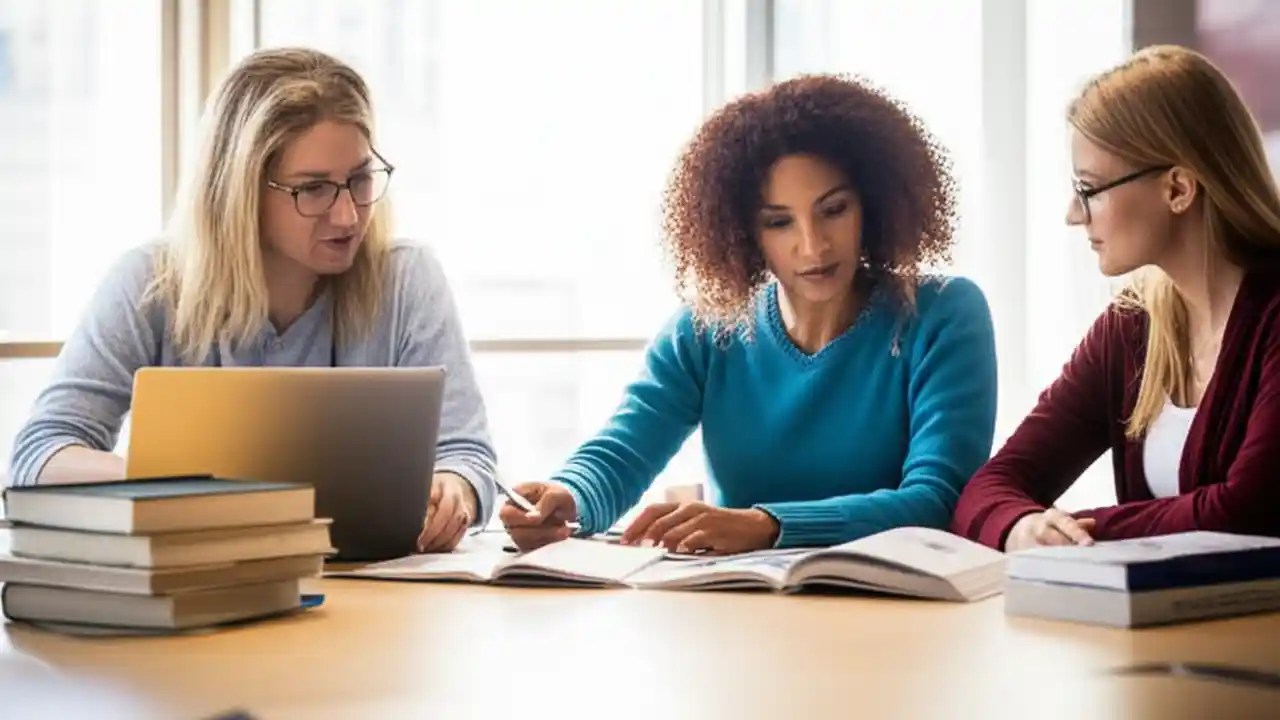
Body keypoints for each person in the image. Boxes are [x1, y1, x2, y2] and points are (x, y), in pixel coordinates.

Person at [7, 48, 496, 553]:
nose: (348, 215)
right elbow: (39, 458)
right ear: (240, 191)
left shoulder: (407, 279)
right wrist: (187, 484)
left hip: (378, 599)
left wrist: (453, 489)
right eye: (314, 190)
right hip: (208, 588)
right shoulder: (150, 283)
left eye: (360, 180)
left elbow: (467, 456)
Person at [501, 74, 998, 554]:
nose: (812, 244)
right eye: (780, 222)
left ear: (873, 204)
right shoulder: (705, 331)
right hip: (739, 613)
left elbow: (937, 501)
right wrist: (566, 498)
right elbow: (625, 449)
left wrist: (768, 525)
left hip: (904, 620)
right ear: (744, 233)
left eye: (834, 209)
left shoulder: (943, 315)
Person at [952, 45, 1280, 551]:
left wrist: (1079, 532)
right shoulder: (1132, 326)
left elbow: (1246, 512)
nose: (1073, 213)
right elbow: (991, 486)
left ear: (1178, 189)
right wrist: (1022, 527)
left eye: (1089, 189)